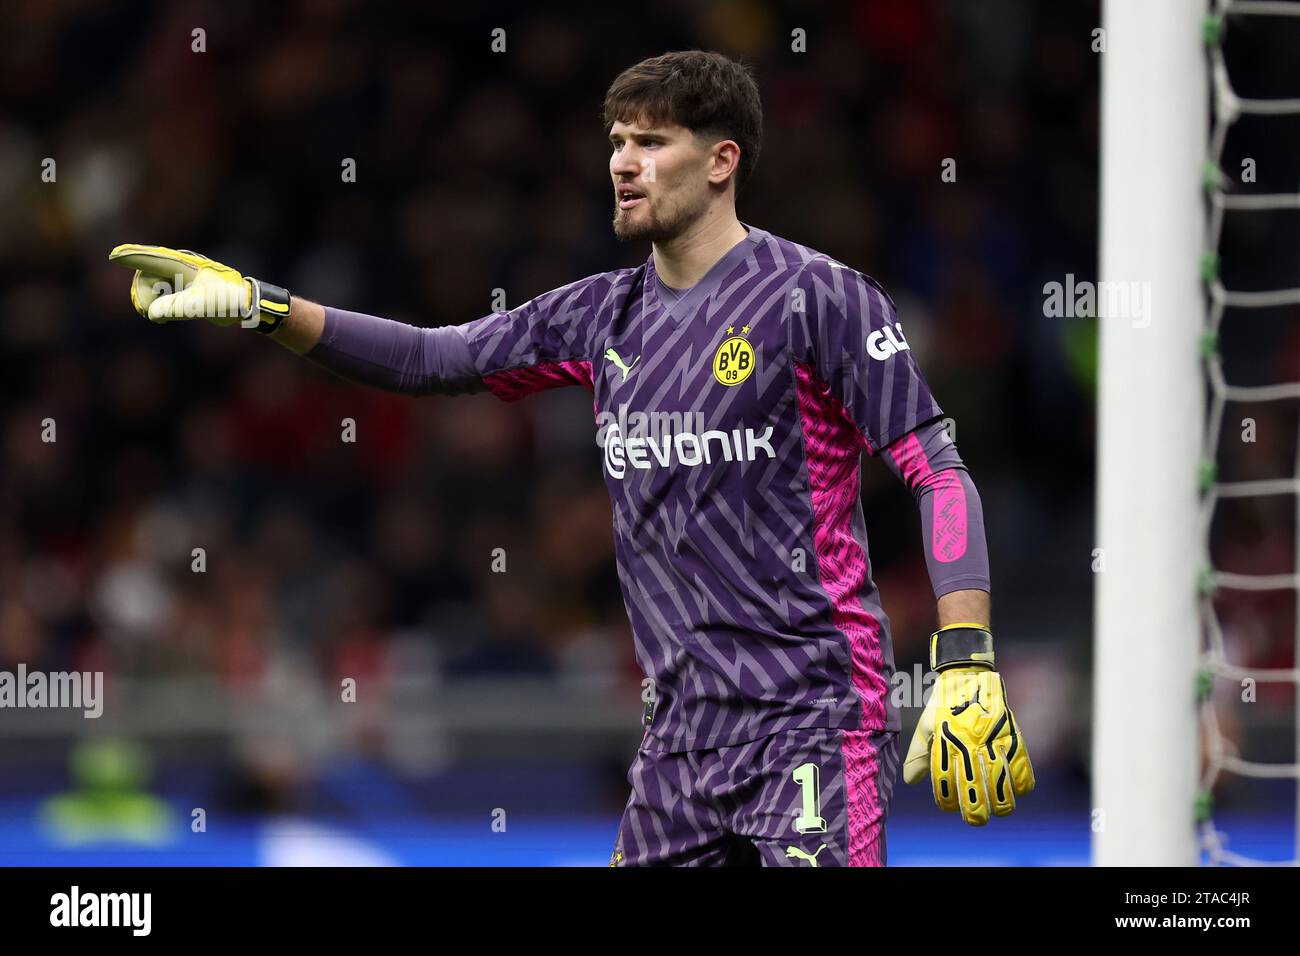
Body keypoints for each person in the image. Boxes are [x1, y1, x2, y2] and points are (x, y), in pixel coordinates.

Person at [109, 49, 1033, 867]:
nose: (623, 164)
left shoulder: (819, 300)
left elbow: (939, 473)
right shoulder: (598, 316)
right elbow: (436, 358)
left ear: (722, 162)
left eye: (651, 143)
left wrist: (964, 658)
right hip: (679, 738)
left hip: (812, 724)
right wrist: (261, 305)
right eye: (617, 142)